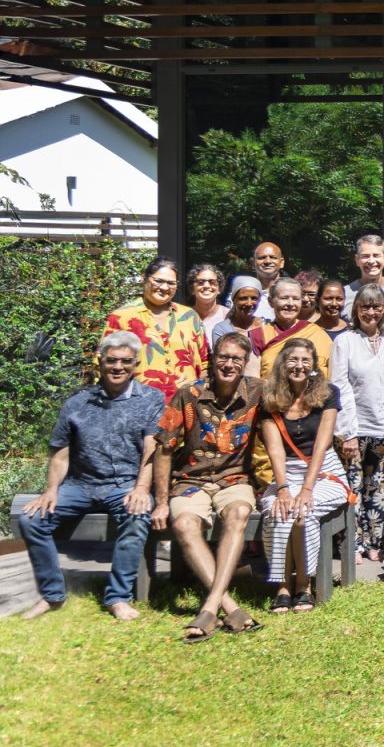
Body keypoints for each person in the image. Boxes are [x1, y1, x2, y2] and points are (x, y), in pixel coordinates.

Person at [17, 332, 163, 621]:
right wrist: (50, 490)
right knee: (31, 519)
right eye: (111, 361)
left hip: (124, 484)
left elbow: (152, 451)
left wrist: (141, 489)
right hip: (80, 485)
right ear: (101, 362)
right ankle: (52, 594)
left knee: (136, 517)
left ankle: (118, 597)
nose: (118, 367)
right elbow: (61, 453)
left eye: (125, 361)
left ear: (135, 364)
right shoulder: (77, 403)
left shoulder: (151, 399)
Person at [152, 332, 265, 640]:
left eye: (236, 359)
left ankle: (210, 606)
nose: (228, 364)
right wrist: (162, 501)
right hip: (191, 479)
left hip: (234, 478)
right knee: (185, 523)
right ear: (212, 358)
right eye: (223, 357)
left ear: (245, 364)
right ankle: (227, 606)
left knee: (240, 512)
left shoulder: (258, 392)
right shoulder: (187, 394)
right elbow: (164, 448)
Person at [257, 338, 351, 613]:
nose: (299, 365)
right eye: (293, 360)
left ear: (313, 365)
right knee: (278, 510)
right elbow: (274, 449)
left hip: (324, 471)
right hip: (286, 471)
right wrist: (284, 488)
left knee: (304, 511)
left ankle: (304, 586)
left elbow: (323, 444)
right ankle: (282, 586)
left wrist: (307, 489)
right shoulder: (270, 397)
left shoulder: (327, 393)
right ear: (283, 364)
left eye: (304, 360)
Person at [330, 283, 384, 562]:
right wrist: (347, 433)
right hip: (355, 429)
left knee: (381, 488)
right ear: (356, 309)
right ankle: (352, 544)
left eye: (376, 306)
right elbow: (338, 386)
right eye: (365, 306)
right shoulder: (345, 341)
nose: (370, 311)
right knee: (354, 488)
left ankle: (375, 543)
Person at [105, 257, 208, 402]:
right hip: (138, 408)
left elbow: (205, 363)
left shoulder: (190, 317)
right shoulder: (121, 317)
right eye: (159, 281)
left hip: (186, 407)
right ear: (145, 279)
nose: (165, 288)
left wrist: (198, 388)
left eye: (171, 283)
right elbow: (104, 365)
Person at [249, 278, 333, 379]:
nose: (290, 304)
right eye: (284, 298)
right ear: (271, 301)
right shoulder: (258, 336)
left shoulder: (318, 334)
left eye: (296, 299)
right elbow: (252, 380)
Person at [343, 234, 384, 312]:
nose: (371, 261)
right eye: (365, 256)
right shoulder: (344, 295)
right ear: (357, 260)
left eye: (376, 255)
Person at [211, 276, 266, 347]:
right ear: (234, 300)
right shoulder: (222, 330)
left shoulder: (266, 325)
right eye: (243, 298)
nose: (249, 303)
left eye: (254, 298)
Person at [187, 263, 229, 349]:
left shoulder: (229, 316)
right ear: (192, 289)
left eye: (212, 282)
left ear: (219, 289)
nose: (206, 286)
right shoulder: (181, 316)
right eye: (200, 282)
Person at [246, 241, 286, 320]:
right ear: (253, 263)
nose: (268, 261)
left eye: (273, 257)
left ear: (281, 263)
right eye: (262, 258)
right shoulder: (243, 293)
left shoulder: (293, 292)